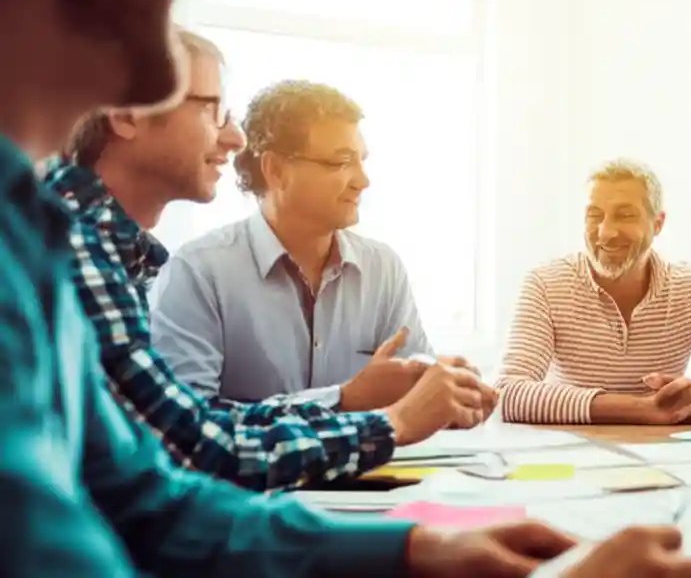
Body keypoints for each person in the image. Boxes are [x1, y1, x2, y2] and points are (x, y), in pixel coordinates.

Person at [0, 0, 691, 575]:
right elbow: (189, 455)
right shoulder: (97, 253)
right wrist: (383, 423)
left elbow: (155, 502)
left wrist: (414, 549)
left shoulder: (50, 235)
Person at [47, 28, 494, 491]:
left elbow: (181, 436)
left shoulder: (125, 261)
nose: (236, 137)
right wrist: (373, 413)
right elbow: (192, 448)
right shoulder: (95, 254)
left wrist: (433, 395)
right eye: (213, 109)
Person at [151, 79, 438, 407]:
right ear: (275, 170)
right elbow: (188, 421)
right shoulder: (197, 272)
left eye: (362, 161)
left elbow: (416, 388)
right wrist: (343, 399)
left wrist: (445, 389)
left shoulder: (383, 267)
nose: (362, 181)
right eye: (341, 162)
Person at [495, 158, 691, 425]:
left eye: (625, 215)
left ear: (658, 223)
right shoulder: (545, 284)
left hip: (663, 459)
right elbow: (508, 394)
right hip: (573, 462)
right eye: (594, 215)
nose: (605, 232)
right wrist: (641, 409)